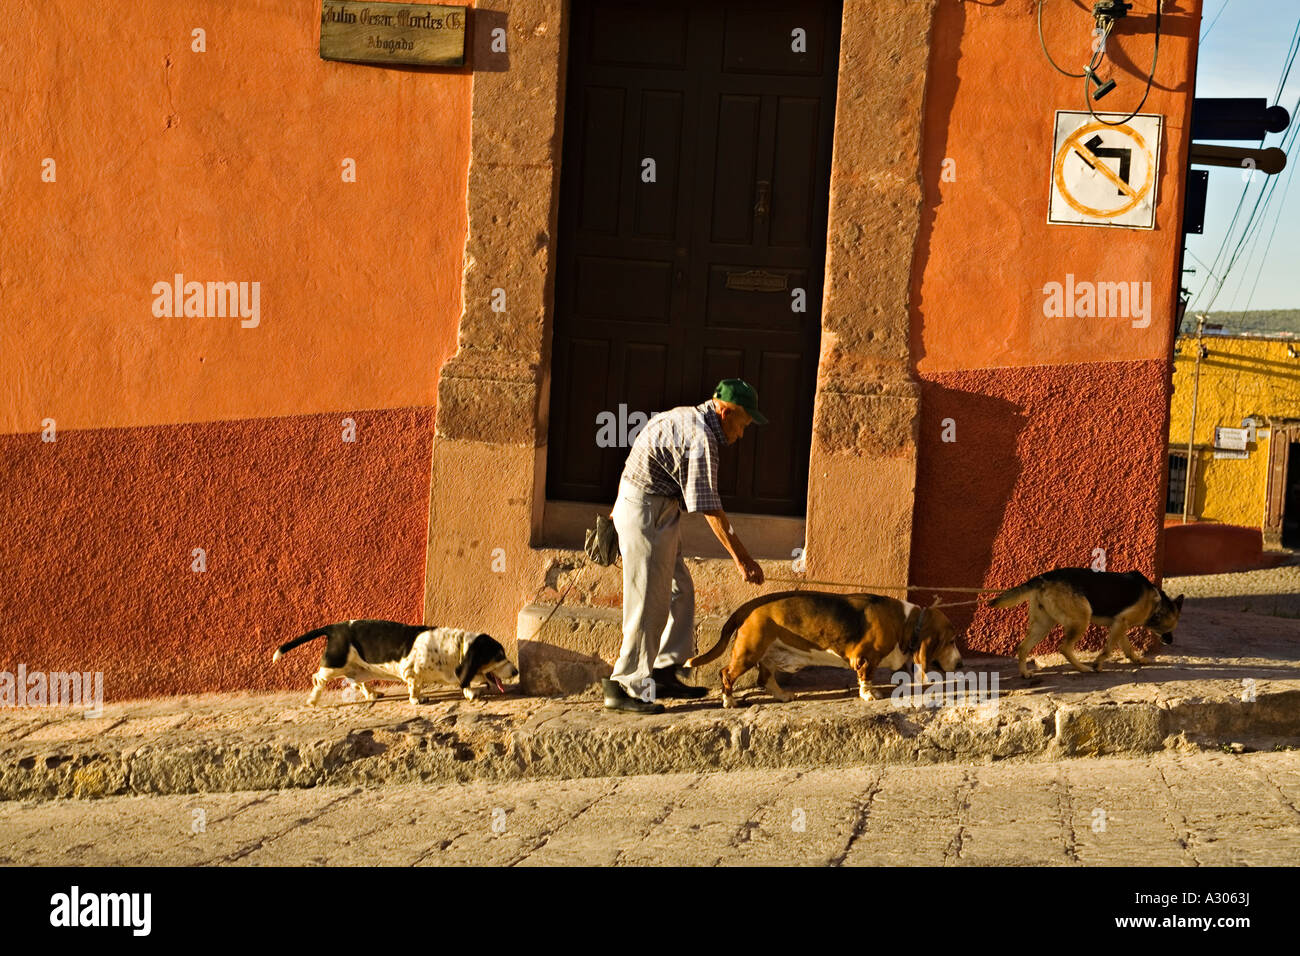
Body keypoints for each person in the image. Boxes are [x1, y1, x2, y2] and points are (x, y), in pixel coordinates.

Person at [603, 379, 768, 714]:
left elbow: (638, 459)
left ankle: (663, 670)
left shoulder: (687, 417)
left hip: (652, 507)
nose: (743, 432)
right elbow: (710, 508)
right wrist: (743, 558)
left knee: (680, 590)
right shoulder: (700, 438)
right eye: (743, 423)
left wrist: (615, 510)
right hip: (646, 512)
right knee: (649, 600)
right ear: (725, 413)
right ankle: (625, 685)